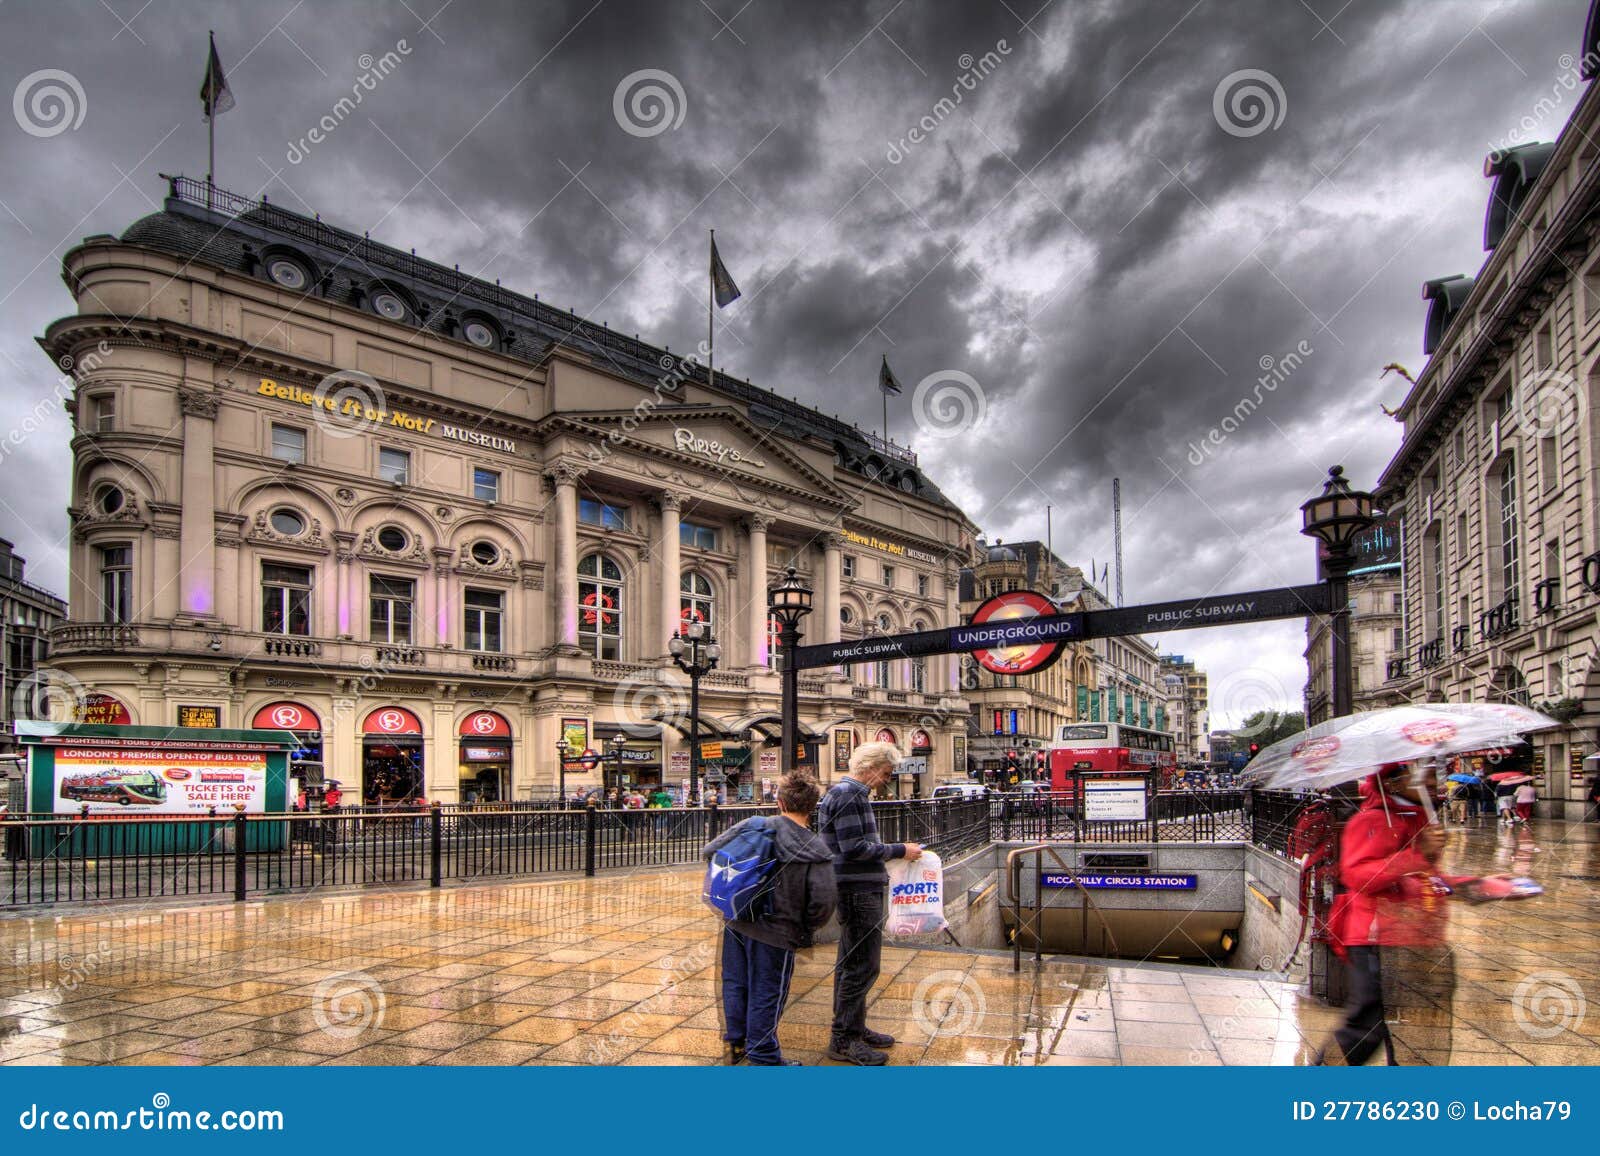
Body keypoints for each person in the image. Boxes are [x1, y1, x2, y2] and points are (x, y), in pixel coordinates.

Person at [701, 772, 836, 1066]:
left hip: (737, 919)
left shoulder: (754, 825)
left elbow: (709, 852)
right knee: (768, 991)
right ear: (812, 806)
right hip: (778, 930)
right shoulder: (816, 849)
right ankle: (763, 1056)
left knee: (735, 982)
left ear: (779, 801)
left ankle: (737, 1043)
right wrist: (805, 926)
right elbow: (823, 904)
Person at [1327, 762, 1454, 1066]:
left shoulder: (1418, 819)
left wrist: (1482, 886)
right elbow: (1360, 877)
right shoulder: (1369, 821)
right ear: (1394, 784)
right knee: (1366, 1024)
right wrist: (1416, 854)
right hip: (1375, 937)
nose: (1435, 780)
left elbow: (1426, 877)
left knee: (1413, 1026)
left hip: (1415, 937)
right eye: (1424, 774)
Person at [817, 741, 924, 1066]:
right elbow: (854, 847)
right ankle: (844, 1039)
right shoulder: (850, 795)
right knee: (863, 965)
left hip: (856, 886)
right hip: (858, 889)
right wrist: (899, 850)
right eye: (887, 773)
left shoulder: (848, 793)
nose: (887, 780)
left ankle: (853, 1028)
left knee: (851, 962)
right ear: (873, 767)